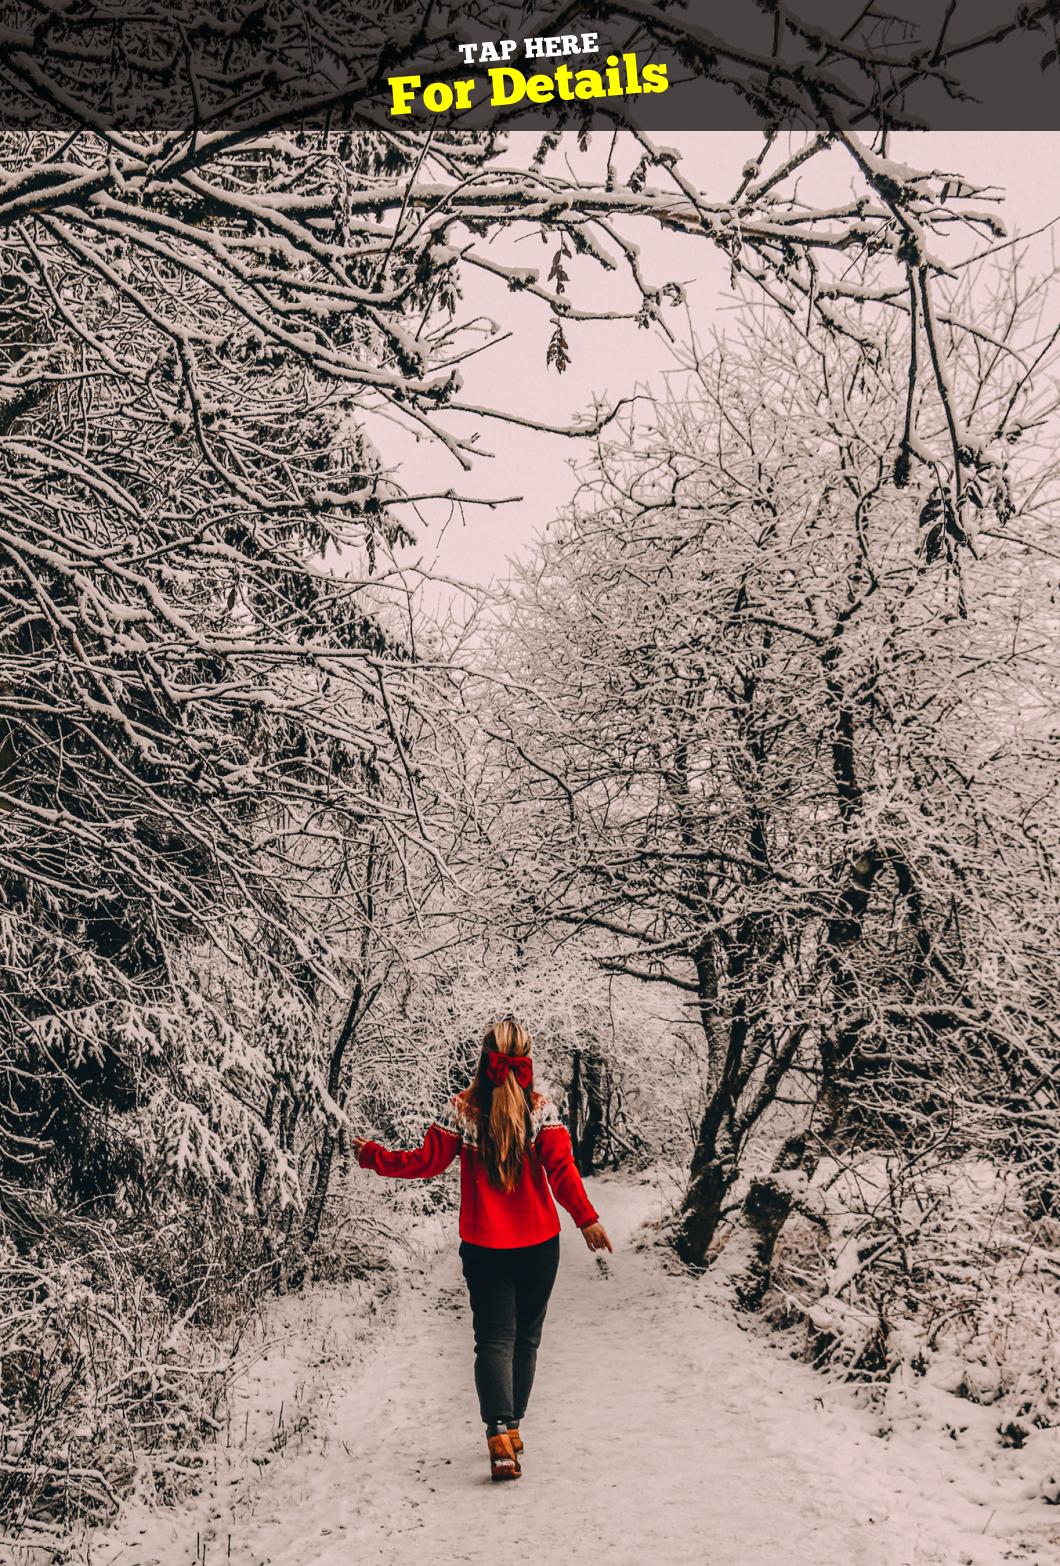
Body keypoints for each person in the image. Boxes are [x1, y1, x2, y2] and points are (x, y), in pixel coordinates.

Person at [353, 1016, 613, 1483]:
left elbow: (423, 1164)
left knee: (493, 1339)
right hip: (539, 1245)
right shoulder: (543, 1111)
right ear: (526, 1059)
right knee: (526, 1340)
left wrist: (373, 1155)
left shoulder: (462, 1111)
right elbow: (563, 1175)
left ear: (484, 1057)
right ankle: (512, 1431)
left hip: (484, 1246)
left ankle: (497, 1434)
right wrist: (587, 1220)